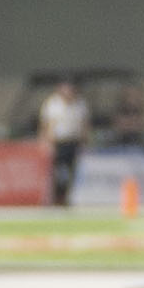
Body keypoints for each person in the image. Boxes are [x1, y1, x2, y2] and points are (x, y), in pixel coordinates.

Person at [37, 71, 91, 207]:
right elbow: (47, 125)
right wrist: (46, 142)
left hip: (73, 142)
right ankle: (56, 200)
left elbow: (84, 125)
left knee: (73, 173)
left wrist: (85, 141)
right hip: (58, 143)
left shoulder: (80, 104)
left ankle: (69, 199)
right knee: (57, 173)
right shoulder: (52, 104)